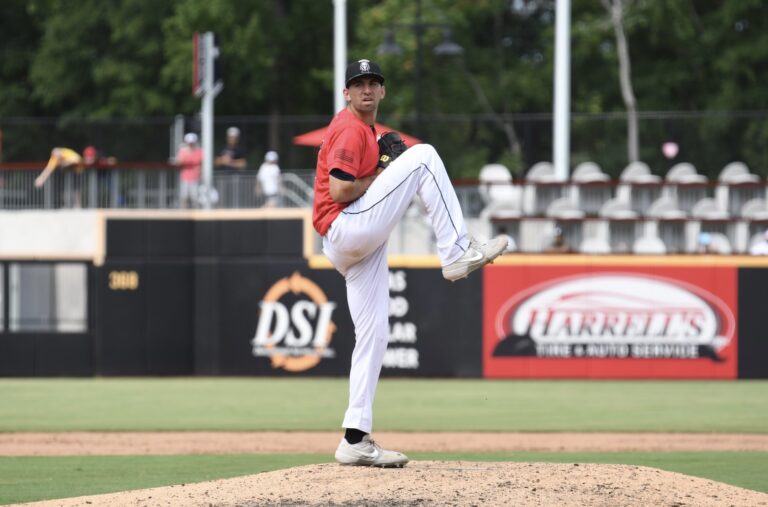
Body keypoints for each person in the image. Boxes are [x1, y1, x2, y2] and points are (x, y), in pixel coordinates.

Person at [312, 59, 508, 468]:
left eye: (373, 83)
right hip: (346, 225)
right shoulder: (350, 127)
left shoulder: (366, 129)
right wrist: (382, 174)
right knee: (425, 158)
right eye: (358, 84)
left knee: (375, 334)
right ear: (346, 93)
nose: (366, 89)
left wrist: (381, 170)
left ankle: (355, 438)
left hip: (351, 242)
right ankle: (455, 252)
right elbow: (340, 188)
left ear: (382, 91)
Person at [176, 132, 203, 208]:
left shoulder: (199, 151)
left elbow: (202, 162)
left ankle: (197, 213)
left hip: (196, 177)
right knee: (183, 196)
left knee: (195, 197)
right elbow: (178, 162)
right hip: (185, 177)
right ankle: (183, 214)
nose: (191, 144)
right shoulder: (183, 151)